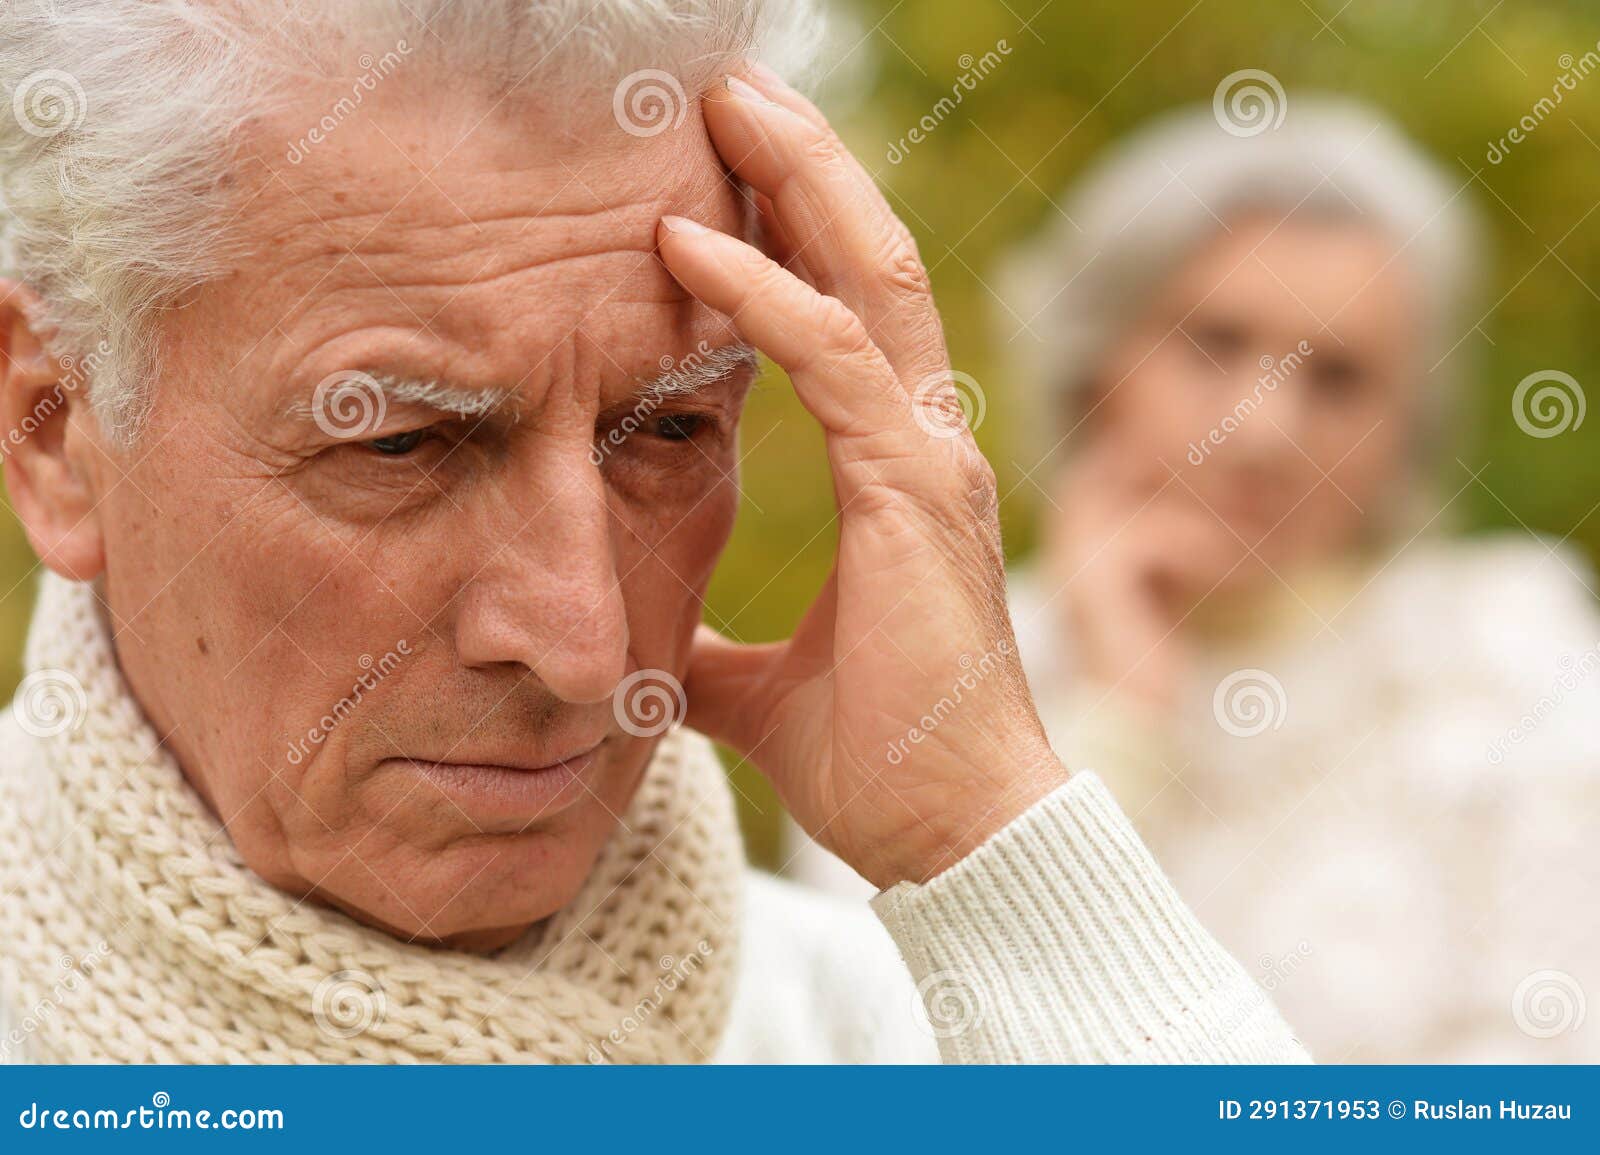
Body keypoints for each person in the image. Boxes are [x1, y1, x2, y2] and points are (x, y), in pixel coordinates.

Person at [0, 1, 1305, 1064]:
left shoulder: (905, 1023)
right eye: (397, 443)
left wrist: (983, 832)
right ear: (53, 427)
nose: (586, 640)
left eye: (671, 433)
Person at [994, 101, 1599, 1061]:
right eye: (1215, 343)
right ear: (1095, 364)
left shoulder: (1518, 665)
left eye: (1340, 378)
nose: (1264, 432)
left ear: (1407, 431)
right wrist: (1122, 723)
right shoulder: (945, 675)